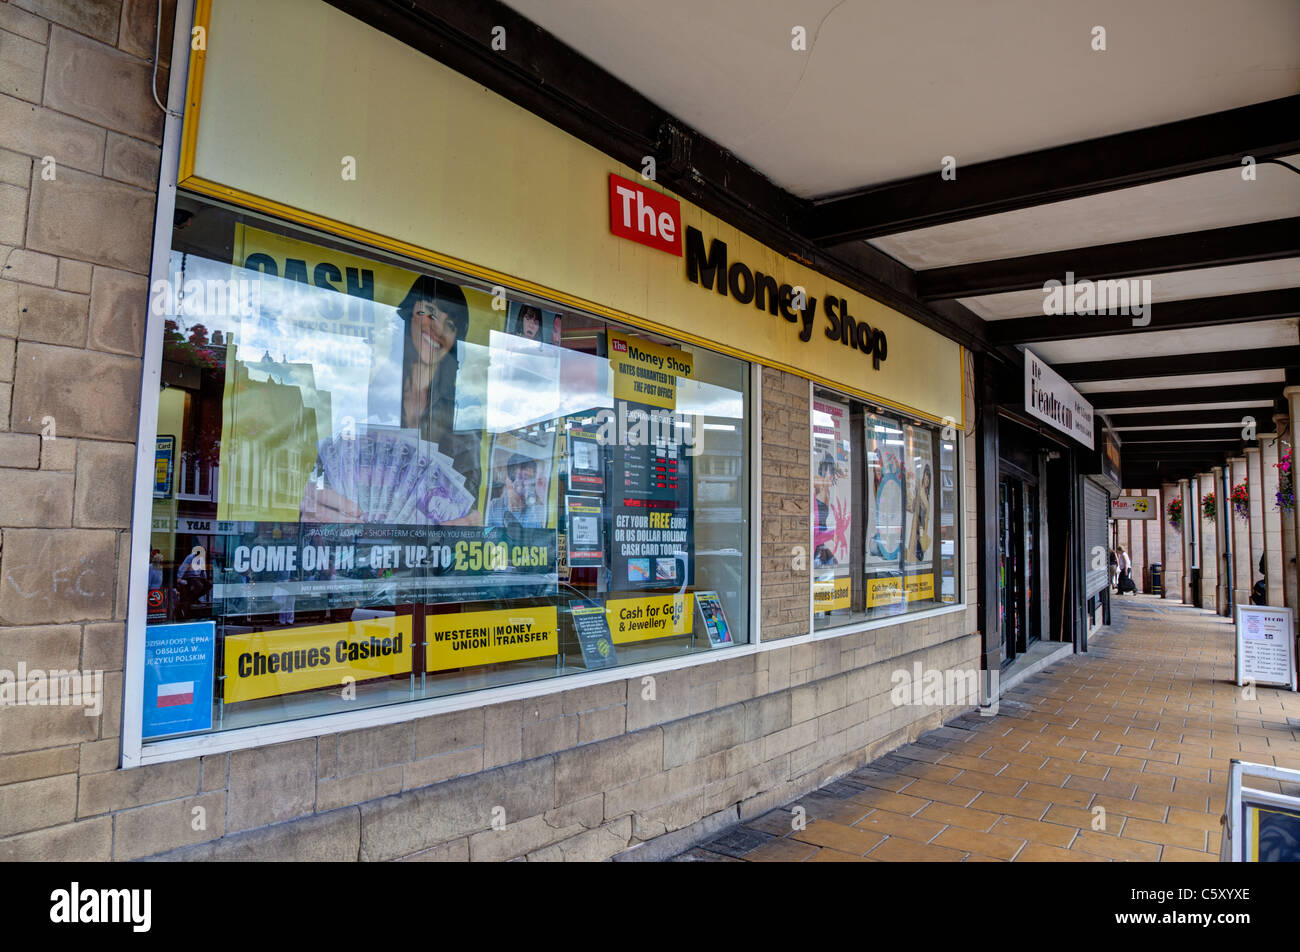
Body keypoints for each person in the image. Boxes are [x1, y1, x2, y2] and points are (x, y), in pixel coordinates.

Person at [304, 275, 483, 524]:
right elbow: (328, 474)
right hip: (359, 541)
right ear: (409, 313)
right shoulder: (363, 398)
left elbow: (468, 503)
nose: (437, 329)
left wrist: (469, 524)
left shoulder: (463, 419)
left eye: (450, 324)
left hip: (430, 547)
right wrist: (314, 508)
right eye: (429, 312)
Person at [486, 452, 546, 529]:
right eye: (517, 477)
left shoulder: (537, 510)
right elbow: (486, 533)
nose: (521, 486)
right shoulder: (495, 506)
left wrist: (540, 499)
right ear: (508, 480)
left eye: (527, 478)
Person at [908, 462, 932, 561]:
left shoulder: (926, 493)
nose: (927, 481)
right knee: (918, 555)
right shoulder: (920, 492)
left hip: (923, 528)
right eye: (926, 478)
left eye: (928, 478)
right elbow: (914, 509)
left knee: (920, 555)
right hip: (919, 529)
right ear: (923, 477)